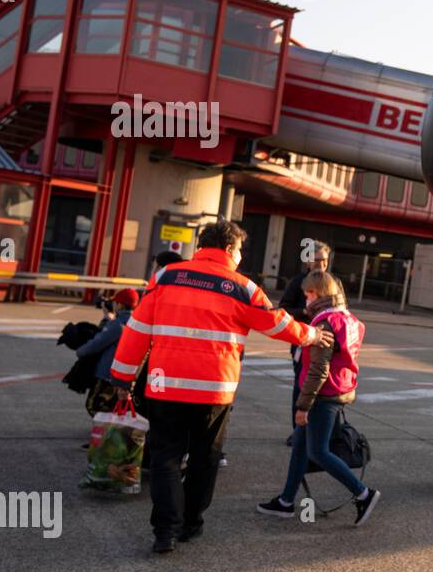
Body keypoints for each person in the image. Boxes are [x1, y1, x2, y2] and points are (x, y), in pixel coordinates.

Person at [110, 220, 333, 554]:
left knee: (165, 458)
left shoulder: (166, 277)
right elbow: (275, 322)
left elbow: (137, 330)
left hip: (164, 386)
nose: (241, 256)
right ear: (229, 249)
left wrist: (123, 378)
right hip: (213, 391)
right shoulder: (241, 287)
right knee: (204, 458)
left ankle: (164, 531)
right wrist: (312, 335)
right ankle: (190, 523)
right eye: (240, 250)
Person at [258, 271, 380, 525]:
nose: (306, 299)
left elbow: (318, 370)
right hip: (338, 389)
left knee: (318, 451)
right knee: (301, 449)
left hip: (322, 396)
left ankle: (363, 494)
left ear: (319, 294)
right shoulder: (347, 318)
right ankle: (286, 502)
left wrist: (303, 405)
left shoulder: (323, 323)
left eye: (309, 293)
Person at [279, 240, 332, 443]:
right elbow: (282, 309)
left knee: (324, 389)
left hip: (328, 343)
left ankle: (319, 433)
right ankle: (298, 431)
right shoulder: (298, 281)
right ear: (308, 262)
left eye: (325, 261)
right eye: (317, 261)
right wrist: (303, 311)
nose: (321, 265)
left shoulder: (333, 282)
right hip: (304, 341)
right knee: (301, 386)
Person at [76, 288, 140, 416]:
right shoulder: (137, 322)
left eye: (116, 303)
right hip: (126, 374)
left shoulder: (117, 325)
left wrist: (80, 351)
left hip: (107, 374)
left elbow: (97, 343)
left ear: (120, 305)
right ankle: (114, 427)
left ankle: (108, 428)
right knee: (113, 403)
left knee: (93, 405)